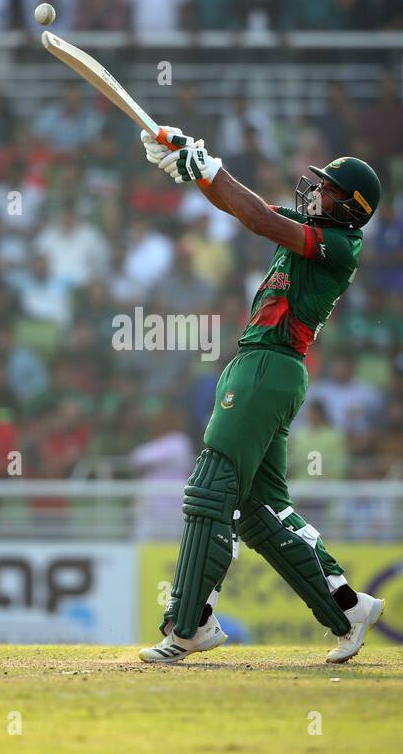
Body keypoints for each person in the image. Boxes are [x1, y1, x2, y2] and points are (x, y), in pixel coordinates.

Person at [137, 129, 385, 664]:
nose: (313, 192)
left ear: (350, 208)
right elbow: (238, 204)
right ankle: (348, 607)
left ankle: (190, 622)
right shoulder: (311, 228)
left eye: (326, 189)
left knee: (211, 487)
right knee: (261, 511)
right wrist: (191, 166)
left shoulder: (339, 244)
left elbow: (258, 218)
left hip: (269, 367)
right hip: (260, 366)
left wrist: (209, 164)